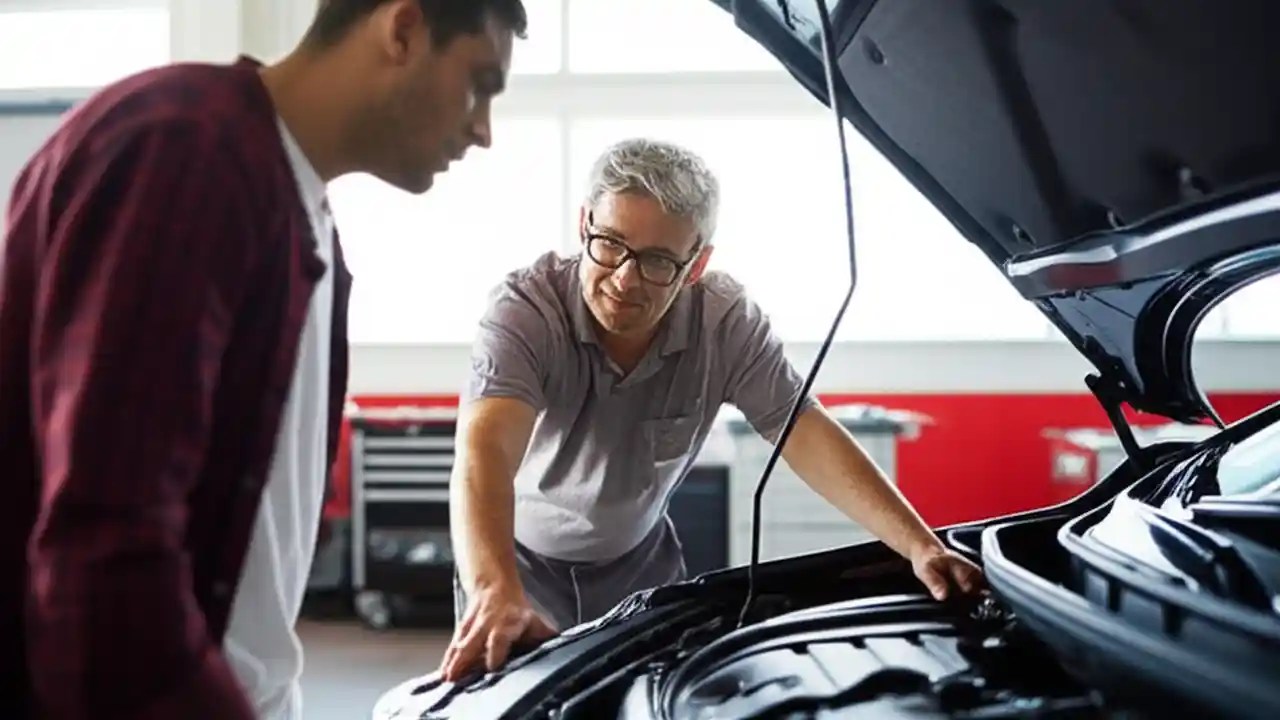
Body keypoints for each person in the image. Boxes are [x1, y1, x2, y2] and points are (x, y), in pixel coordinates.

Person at [0, 1, 527, 717]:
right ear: (403, 28)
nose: (483, 131)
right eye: (480, 82)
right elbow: (107, 556)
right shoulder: (186, 152)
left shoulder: (304, 220)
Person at [439, 137, 986, 682]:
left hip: (640, 564)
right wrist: (493, 587)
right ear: (584, 224)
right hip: (516, 562)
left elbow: (800, 427)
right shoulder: (526, 310)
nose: (625, 279)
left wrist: (919, 545)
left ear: (696, 263)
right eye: (610, 243)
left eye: (657, 260)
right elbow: (484, 451)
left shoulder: (726, 322)